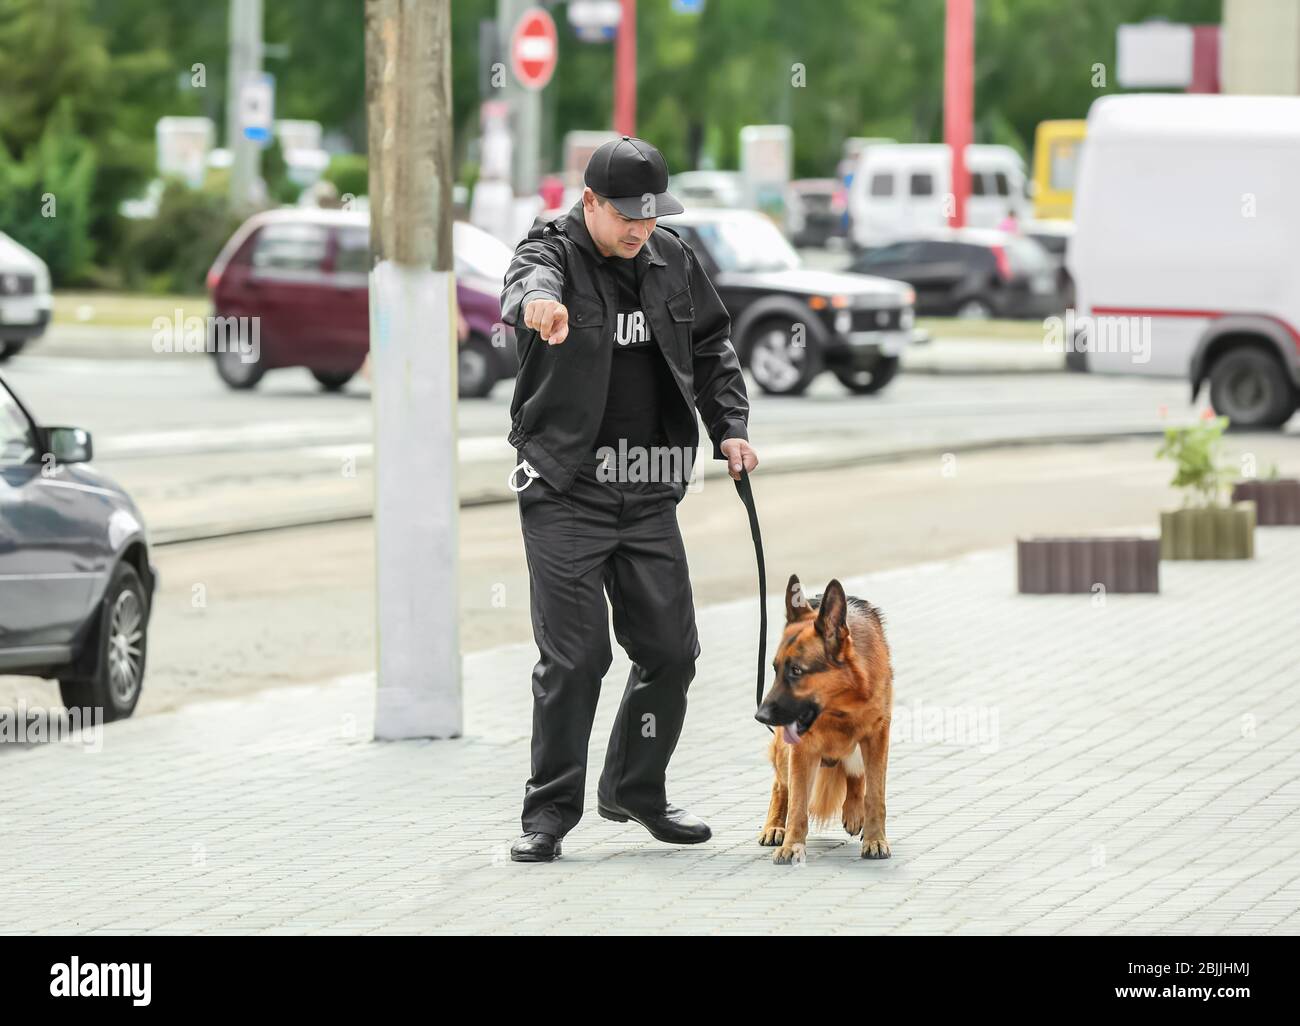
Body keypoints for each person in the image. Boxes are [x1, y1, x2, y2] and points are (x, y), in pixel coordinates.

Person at [499, 136, 759, 862]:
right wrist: (540, 306)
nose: (639, 229)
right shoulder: (553, 251)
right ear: (589, 203)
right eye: (625, 217)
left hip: (647, 488)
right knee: (576, 660)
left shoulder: (672, 260)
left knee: (672, 652)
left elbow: (711, 348)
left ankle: (634, 787)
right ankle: (549, 813)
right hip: (565, 488)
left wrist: (730, 430)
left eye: (650, 216)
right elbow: (526, 281)